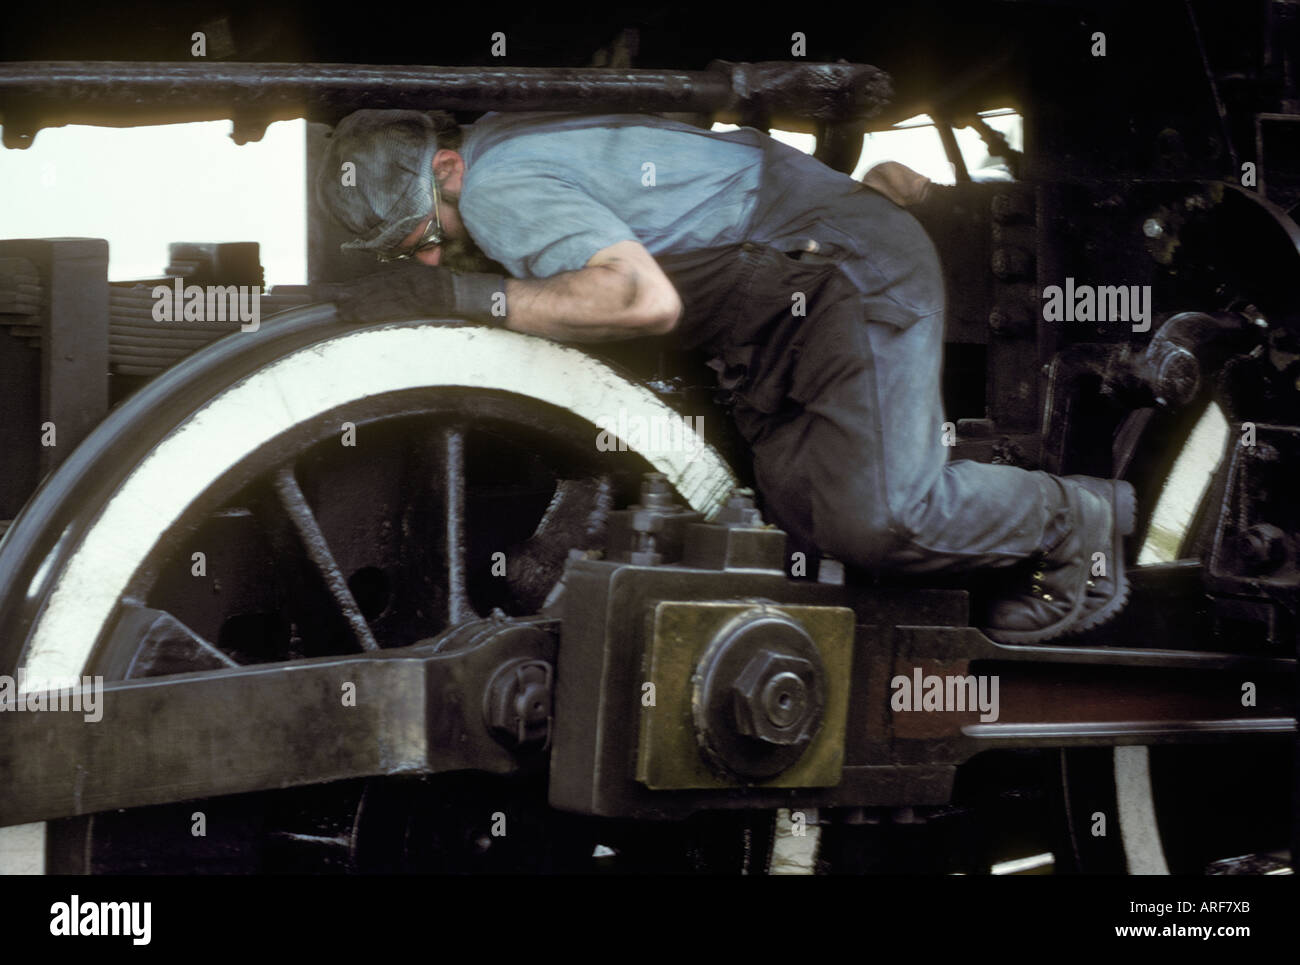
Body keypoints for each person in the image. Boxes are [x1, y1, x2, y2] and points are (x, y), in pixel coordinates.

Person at [314, 108, 1135, 644]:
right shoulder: (502, 154)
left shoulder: (496, 185)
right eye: (406, 254)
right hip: (777, 312)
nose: (427, 255)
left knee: (878, 515)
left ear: (449, 170)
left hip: (838, 276)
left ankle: (1079, 519)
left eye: (424, 233)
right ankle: (990, 575)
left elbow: (641, 299)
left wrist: (459, 293)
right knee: (804, 522)